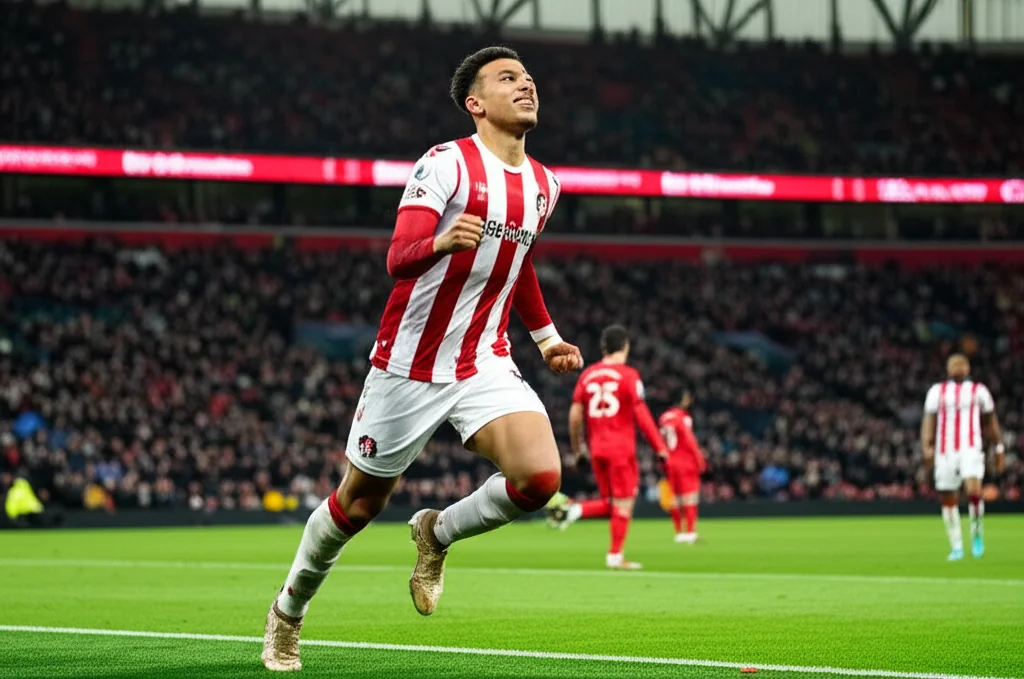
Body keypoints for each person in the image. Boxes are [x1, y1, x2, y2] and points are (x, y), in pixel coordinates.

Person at [261, 46, 584, 672]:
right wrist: (440, 241)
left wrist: (546, 338)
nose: (526, 85)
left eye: (528, 78)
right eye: (508, 79)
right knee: (358, 506)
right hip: (411, 362)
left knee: (540, 478)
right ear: (475, 103)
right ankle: (288, 610)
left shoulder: (546, 185)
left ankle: (435, 533)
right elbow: (398, 256)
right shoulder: (445, 164)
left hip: (485, 357)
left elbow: (516, 264)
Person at [546, 325, 668, 570]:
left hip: (597, 450)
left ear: (603, 348)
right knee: (624, 503)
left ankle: (572, 510)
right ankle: (615, 556)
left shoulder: (587, 375)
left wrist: (578, 449)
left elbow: (575, 416)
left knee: (612, 503)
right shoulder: (629, 375)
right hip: (621, 449)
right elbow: (641, 414)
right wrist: (659, 447)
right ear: (625, 347)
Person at [920, 354, 1004, 562]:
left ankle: (977, 535)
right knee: (948, 497)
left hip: (971, 448)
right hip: (945, 451)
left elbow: (990, 421)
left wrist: (999, 447)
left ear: (968, 368)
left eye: (962, 365)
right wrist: (927, 447)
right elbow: (928, 421)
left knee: (973, 491)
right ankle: (956, 545)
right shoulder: (936, 391)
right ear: (948, 369)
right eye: (954, 365)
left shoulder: (979, 391)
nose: (958, 368)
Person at [658, 389, 706, 544]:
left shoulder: (664, 417)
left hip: (670, 462)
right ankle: (690, 532)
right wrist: (699, 458)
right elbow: (688, 438)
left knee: (676, 498)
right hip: (686, 461)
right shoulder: (683, 417)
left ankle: (679, 532)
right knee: (690, 497)